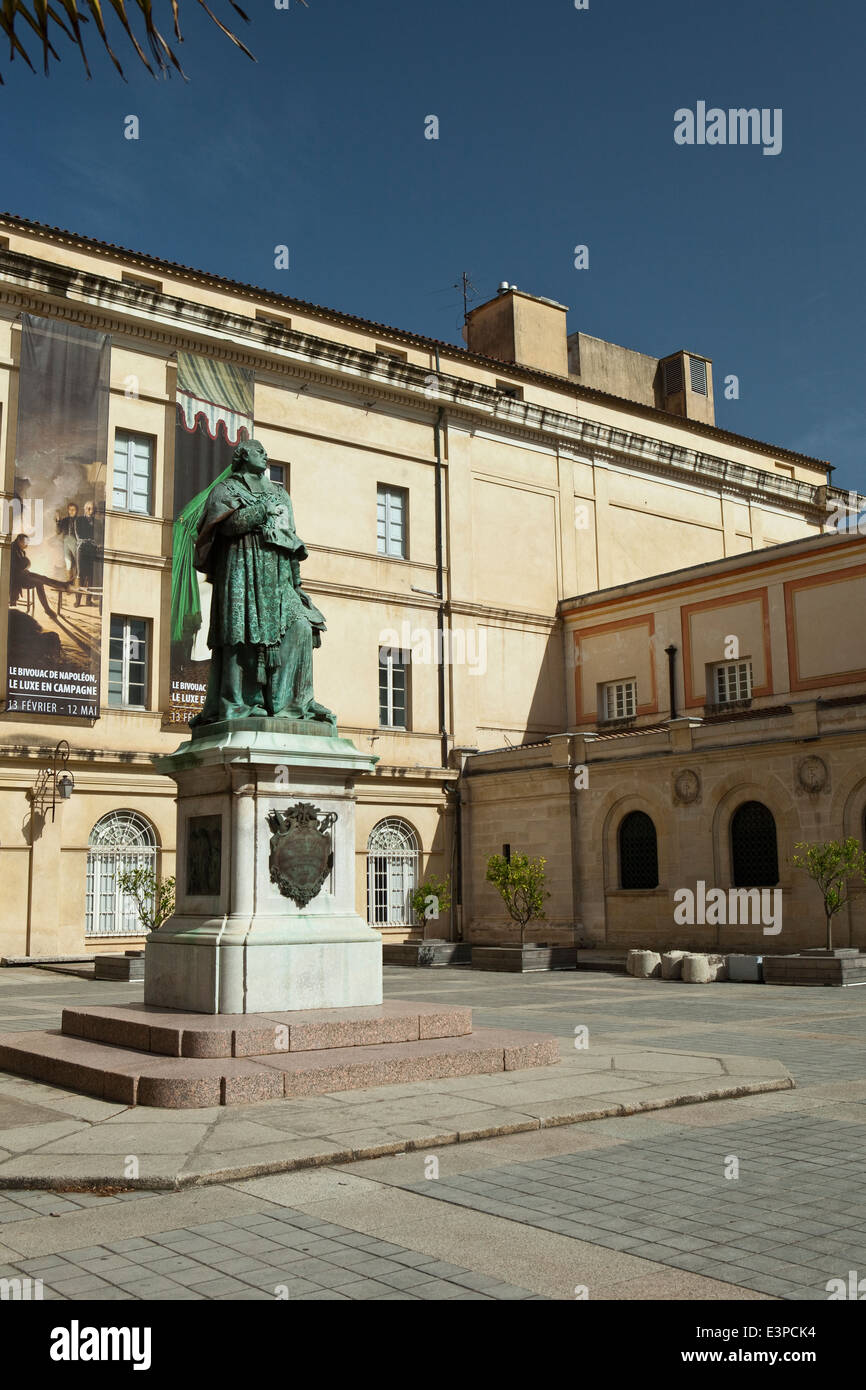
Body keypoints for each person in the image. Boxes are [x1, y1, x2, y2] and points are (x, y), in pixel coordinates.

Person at [189, 439, 335, 727]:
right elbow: (224, 527)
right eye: (259, 450)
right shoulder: (227, 489)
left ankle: (294, 704)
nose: (266, 454)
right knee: (241, 634)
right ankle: (242, 703)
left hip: (279, 574)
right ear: (243, 456)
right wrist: (260, 512)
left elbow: (291, 538)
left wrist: (297, 584)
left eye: (266, 451)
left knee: (301, 628)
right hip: (241, 566)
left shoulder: (280, 493)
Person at [9, 535, 70, 617]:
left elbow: (23, 565)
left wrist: (26, 566)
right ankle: (47, 610)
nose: (26, 545)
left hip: (24, 575)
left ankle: (63, 585)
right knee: (39, 583)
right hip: (16, 580)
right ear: (19, 541)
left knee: (42, 578)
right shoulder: (11, 549)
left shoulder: (20, 550)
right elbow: (14, 568)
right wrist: (25, 565)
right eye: (25, 543)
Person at [74, 500, 101, 606]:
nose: (91, 511)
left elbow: (98, 538)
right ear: (85, 509)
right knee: (80, 575)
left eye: (93, 509)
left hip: (92, 551)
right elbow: (79, 537)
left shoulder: (98, 523)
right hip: (81, 549)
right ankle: (78, 600)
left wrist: (95, 543)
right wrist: (92, 541)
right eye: (89, 508)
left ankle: (88, 600)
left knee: (91, 576)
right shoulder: (79, 520)